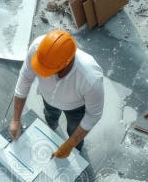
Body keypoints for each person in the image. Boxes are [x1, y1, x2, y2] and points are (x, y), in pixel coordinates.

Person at [9, 30, 104, 158]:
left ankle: (77, 149)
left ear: (64, 65)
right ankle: (52, 126)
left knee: (73, 128)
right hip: (47, 98)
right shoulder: (38, 49)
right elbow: (25, 78)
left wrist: (70, 145)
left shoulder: (90, 78)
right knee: (50, 115)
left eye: (47, 70)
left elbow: (93, 115)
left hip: (75, 108)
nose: (42, 73)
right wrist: (15, 119)